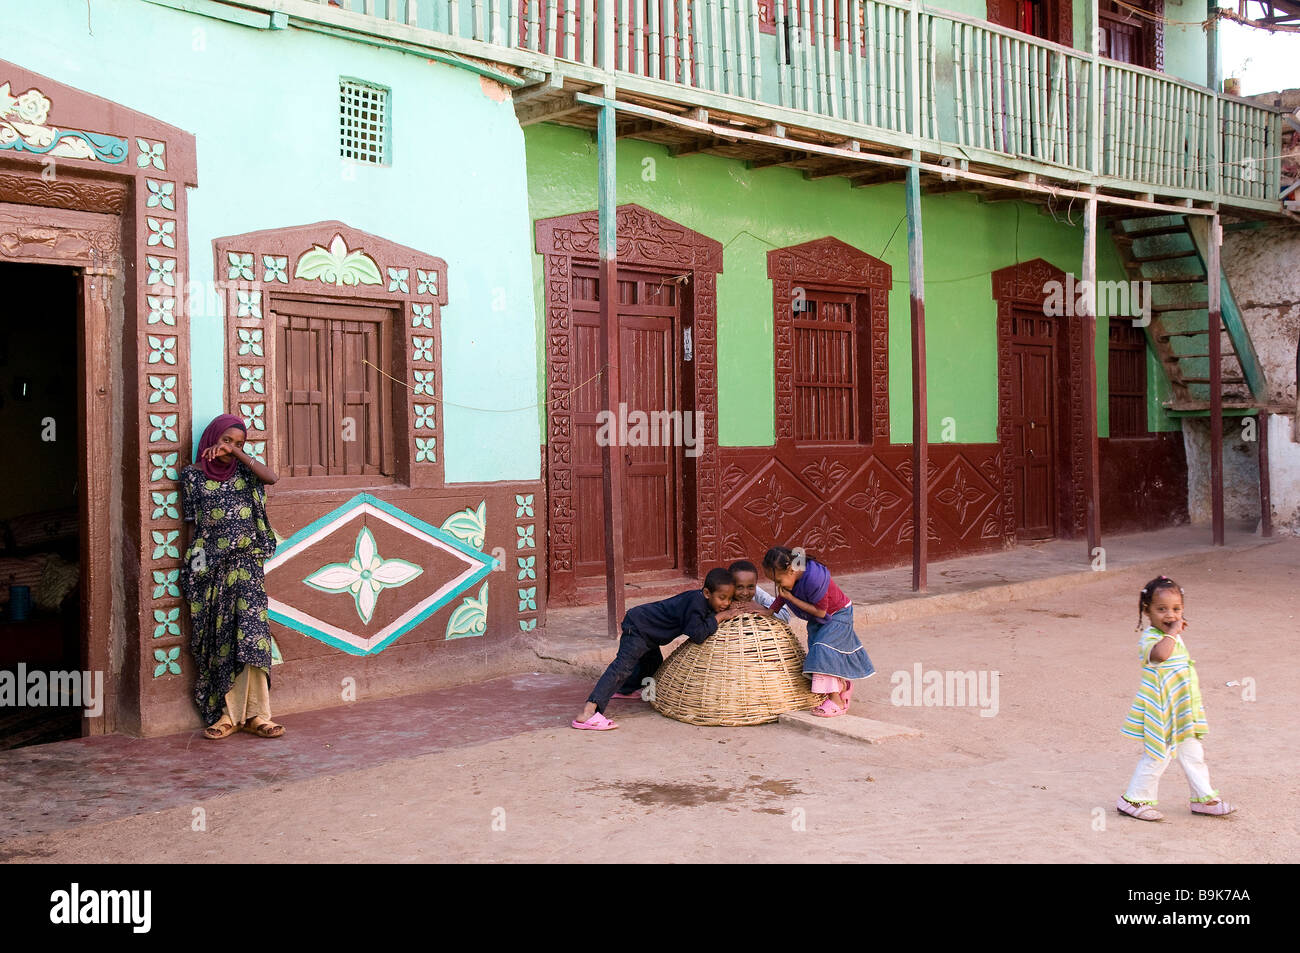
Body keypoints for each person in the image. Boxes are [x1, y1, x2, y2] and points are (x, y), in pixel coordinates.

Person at [180, 413, 283, 740]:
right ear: (211, 439)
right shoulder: (193, 476)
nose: (232, 447)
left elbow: (272, 477)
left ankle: (258, 714)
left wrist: (238, 455)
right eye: (227, 440)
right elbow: (192, 526)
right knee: (220, 639)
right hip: (211, 568)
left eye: (239, 443)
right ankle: (227, 716)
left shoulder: (247, 472)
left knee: (252, 636)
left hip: (247, 566)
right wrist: (194, 573)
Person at [1117, 576, 1236, 820]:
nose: (1170, 615)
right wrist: (1172, 633)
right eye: (1161, 609)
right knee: (1158, 755)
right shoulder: (1150, 639)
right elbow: (1160, 656)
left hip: (1181, 710)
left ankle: (1205, 799)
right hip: (1162, 711)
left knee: (1194, 755)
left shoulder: (1172, 635)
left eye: (1176, 609)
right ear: (1146, 610)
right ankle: (1132, 800)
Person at [572, 568, 746, 730]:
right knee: (622, 668)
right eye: (722, 598)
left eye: (729, 599)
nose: (726, 603)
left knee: (654, 663)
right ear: (707, 593)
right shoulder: (696, 603)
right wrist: (721, 616)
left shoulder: (704, 602)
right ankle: (589, 712)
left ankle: (626, 690)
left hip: (651, 633)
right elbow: (698, 635)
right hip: (640, 627)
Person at [760, 546, 874, 718]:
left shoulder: (814, 579)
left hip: (837, 616)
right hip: (817, 621)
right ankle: (842, 687)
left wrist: (791, 599)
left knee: (822, 653)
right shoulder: (793, 575)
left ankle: (836, 701)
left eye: (778, 582)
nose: (778, 587)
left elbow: (822, 612)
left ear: (791, 570)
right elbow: (784, 594)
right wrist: (770, 611)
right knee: (817, 656)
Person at [728, 559, 793, 623]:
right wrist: (727, 611)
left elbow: (786, 616)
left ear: (755, 584)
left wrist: (761, 608)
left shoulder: (758, 594)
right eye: (739, 587)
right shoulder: (723, 594)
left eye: (750, 587)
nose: (745, 593)